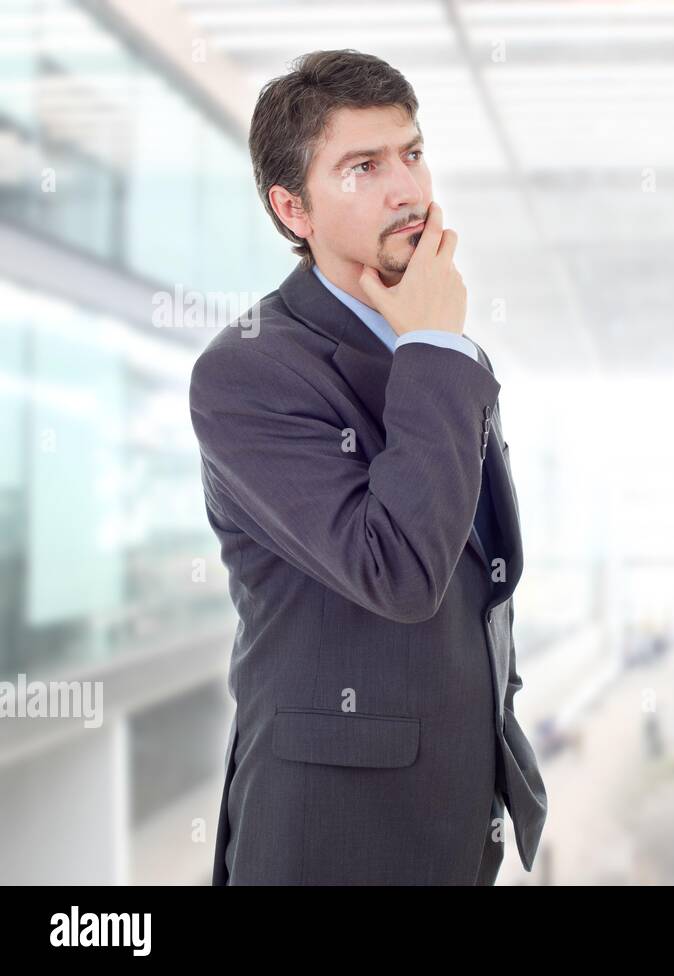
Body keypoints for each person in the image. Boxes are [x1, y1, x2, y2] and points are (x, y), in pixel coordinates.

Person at [188, 49, 546, 884]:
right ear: (292, 208)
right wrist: (432, 346)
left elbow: (480, 571)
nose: (407, 190)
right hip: (331, 836)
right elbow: (401, 571)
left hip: (455, 821)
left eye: (412, 153)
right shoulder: (248, 373)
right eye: (363, 167)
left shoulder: (445, 347)